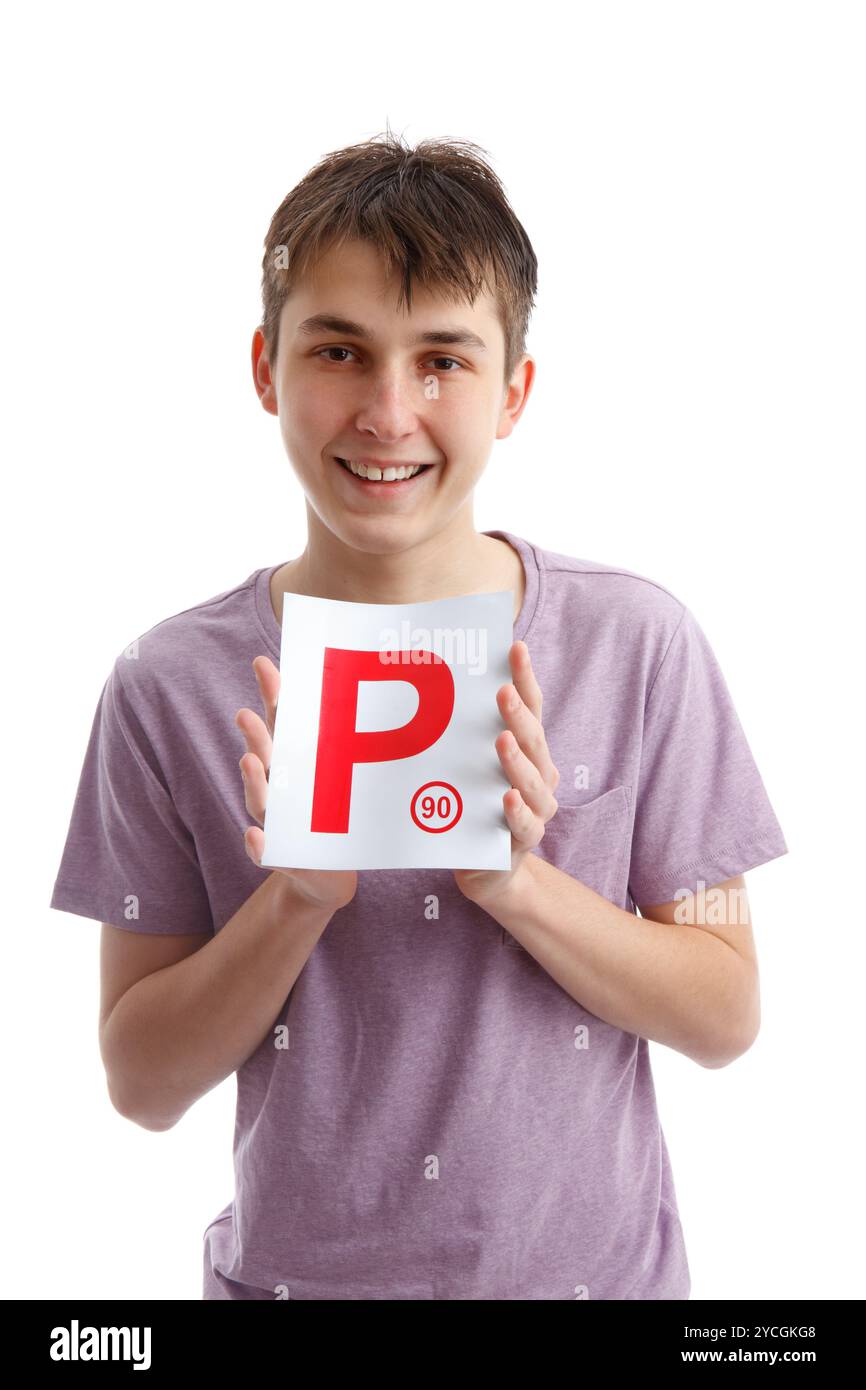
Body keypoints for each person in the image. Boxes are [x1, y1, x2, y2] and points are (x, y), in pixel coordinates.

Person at [49, 130, 787, 1300]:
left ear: (514, 392)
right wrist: (294, 895)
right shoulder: (166, 682)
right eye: (339, 351)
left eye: (442, 359)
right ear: (265, 369)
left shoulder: (637, 642)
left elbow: (725, 1013)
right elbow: (139, 1084)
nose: (389, 412)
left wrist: (518, 884)